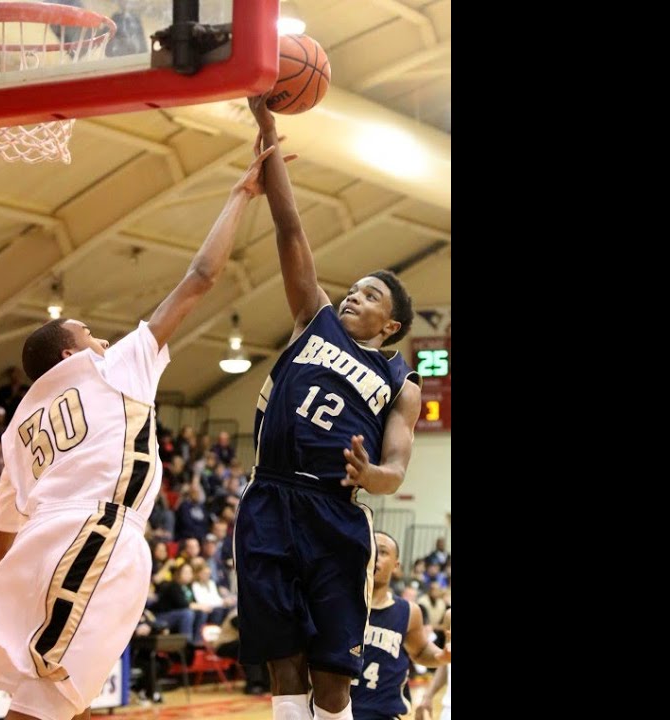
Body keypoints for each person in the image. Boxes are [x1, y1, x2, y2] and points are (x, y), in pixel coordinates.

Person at [0, 143, 280, 720]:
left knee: (47, 699)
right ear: (70, 351)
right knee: (50, 702)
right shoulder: (110, 366)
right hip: (99, 534)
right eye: (89, 332)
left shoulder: (21, 422)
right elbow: (199, 278)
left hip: (44, 544)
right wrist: (240, 194)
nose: (100, 339)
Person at [234, 95, 424, 720]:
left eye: (368, 295)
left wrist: (373, 478)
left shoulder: (400, 382)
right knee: (281, 661)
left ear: (389, 324)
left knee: (331, 675)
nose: (352, 295)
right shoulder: (312, 319)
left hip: (335, 514)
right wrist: (267, 129)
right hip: (270, 497)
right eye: (354, 287)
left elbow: (397, 466)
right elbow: (291, 227)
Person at [350, 533, 450, 720]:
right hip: (335, 712)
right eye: (370, 549)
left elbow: (419, 652)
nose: (374, 556)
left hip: (383, 714)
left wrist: (440, 656)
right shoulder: (337, 604)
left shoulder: (409, 612)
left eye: (383, 552)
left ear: (396, 565)